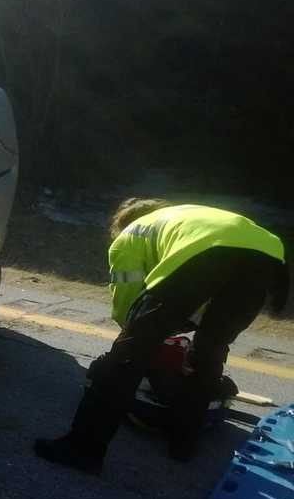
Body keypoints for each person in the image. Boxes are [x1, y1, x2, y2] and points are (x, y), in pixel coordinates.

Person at [35, 200, 288, 474]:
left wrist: (133, 333)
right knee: (209, 352)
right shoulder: (183, 218)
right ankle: (183, 443)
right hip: (270, 252)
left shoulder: (131, 233)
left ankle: (83, 450)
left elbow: (126, 292)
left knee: (125, 359)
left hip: (212, 250)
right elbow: (206, 298)